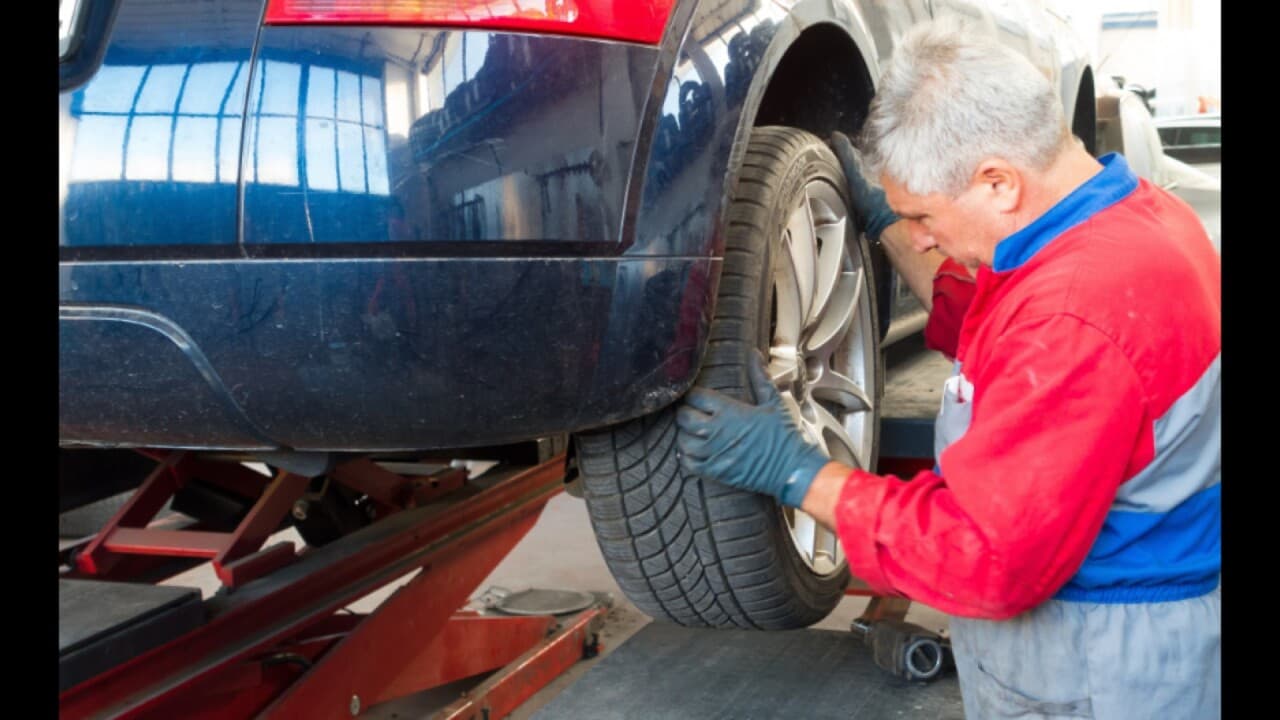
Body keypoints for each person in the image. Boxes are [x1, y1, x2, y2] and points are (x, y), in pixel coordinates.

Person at [675, 19, 1220, 719]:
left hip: (1101, 665)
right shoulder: (1136, 218)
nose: (921, 235)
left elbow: (984, 557)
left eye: (923, 215)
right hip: (1122, 627)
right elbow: (1007, 332)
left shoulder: (1077, 315)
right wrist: (890, 226)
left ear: (998, 182)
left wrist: (801, 474)